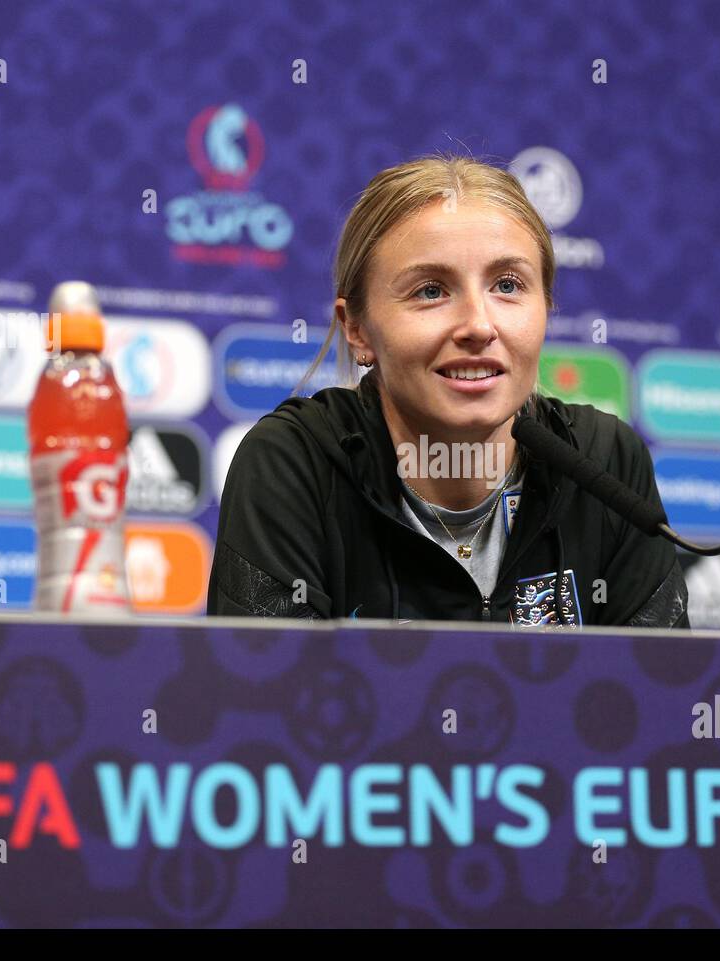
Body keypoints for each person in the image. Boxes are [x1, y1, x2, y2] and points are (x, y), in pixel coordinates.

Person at [207, 154, 689, 628]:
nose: (479, 326)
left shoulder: (605, 464)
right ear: (357, 328)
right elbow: (268, 693)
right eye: (431, 291)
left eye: (507, 284)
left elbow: (658, 696)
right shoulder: (293, 464)